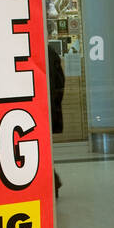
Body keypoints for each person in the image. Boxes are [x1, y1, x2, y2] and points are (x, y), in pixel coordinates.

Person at [48, 42, 65, 197]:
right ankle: (53, 182)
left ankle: (52, 182)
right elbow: (61, 83)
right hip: (49, 108)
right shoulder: (50, 51)